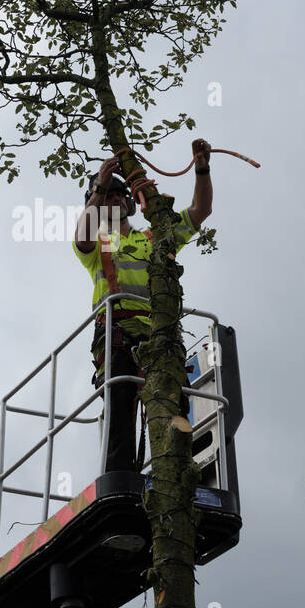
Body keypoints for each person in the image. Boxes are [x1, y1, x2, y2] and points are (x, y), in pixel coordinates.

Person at [72, 143, 213, 473]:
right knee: (120, 400)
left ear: (128, 202)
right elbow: (81, 235)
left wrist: (202, 169)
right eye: (106, 197)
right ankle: (119, 475)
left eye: (117, 195)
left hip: (160, 335)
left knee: (172, 406)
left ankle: (177, 472)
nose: (112, 200)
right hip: (117, 333)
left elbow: (200, 210)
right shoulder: (97, 244)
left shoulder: (155, 237)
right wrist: (99, 186)